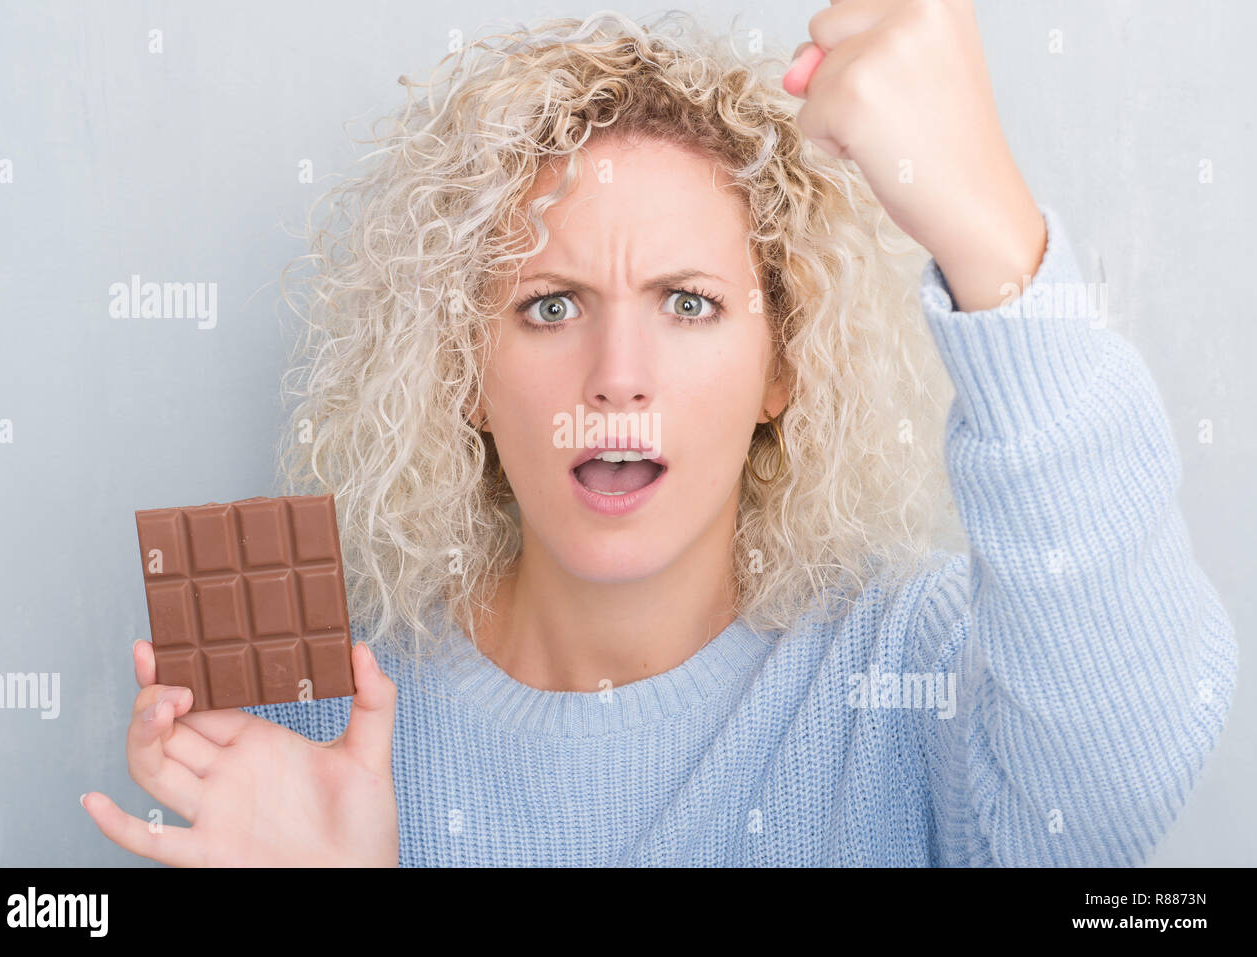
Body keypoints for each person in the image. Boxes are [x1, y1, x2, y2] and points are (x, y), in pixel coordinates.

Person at [83, 3, 1237, 866]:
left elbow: (1117, 780)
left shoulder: (910, 661)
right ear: (464, 375)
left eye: (687, 304)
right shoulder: (312, 713)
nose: (616, 377)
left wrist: (986, 223)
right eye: (548, 307)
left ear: (781, 367)